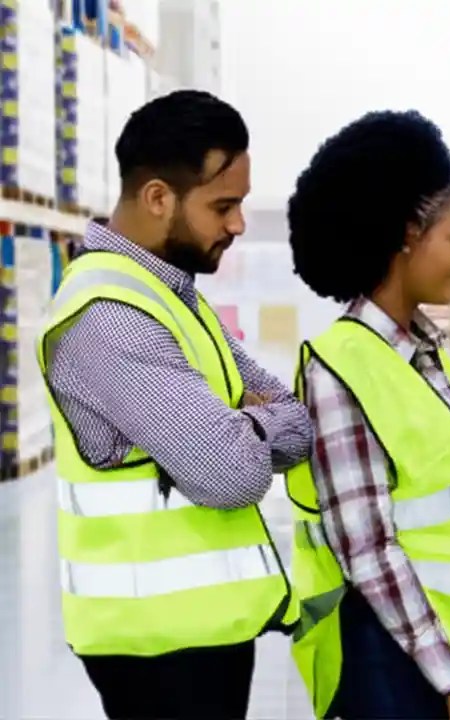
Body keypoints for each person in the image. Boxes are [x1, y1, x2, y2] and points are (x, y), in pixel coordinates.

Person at [36, 90, 313, 719]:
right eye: (224, 206)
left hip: (200, 636)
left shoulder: (169, 296)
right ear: (158, 197)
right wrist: (245, 428)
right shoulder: (110, 317)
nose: (239, 225)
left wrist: (244, 426)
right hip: (157, 648)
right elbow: (231, 472)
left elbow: (294, 418)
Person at [283, 110, 450, 720]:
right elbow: (368, 550)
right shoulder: (340, 367)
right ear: (408, 234)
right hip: (384, 662)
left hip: (428, 654)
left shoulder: (422, 353)